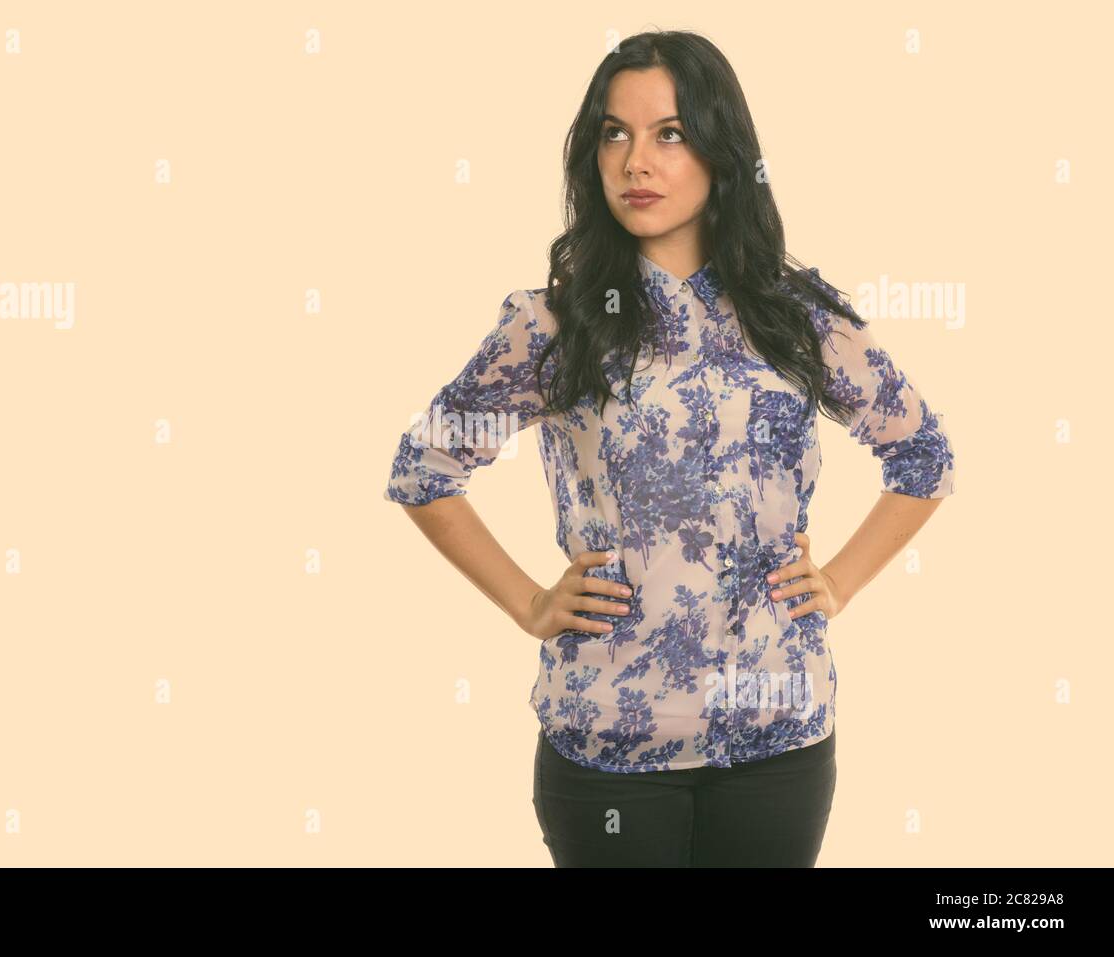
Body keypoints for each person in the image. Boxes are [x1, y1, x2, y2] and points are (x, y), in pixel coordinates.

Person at [382, 30, 955, 867]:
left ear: (723, 150)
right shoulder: (554, 323)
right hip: (609, 744)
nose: (635, 161)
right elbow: (423, 470)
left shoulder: (796, 317)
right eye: (615, 133)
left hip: (778, 737)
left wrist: (836, 580)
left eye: (669, 134)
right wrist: (530, 603)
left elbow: (924, 455)